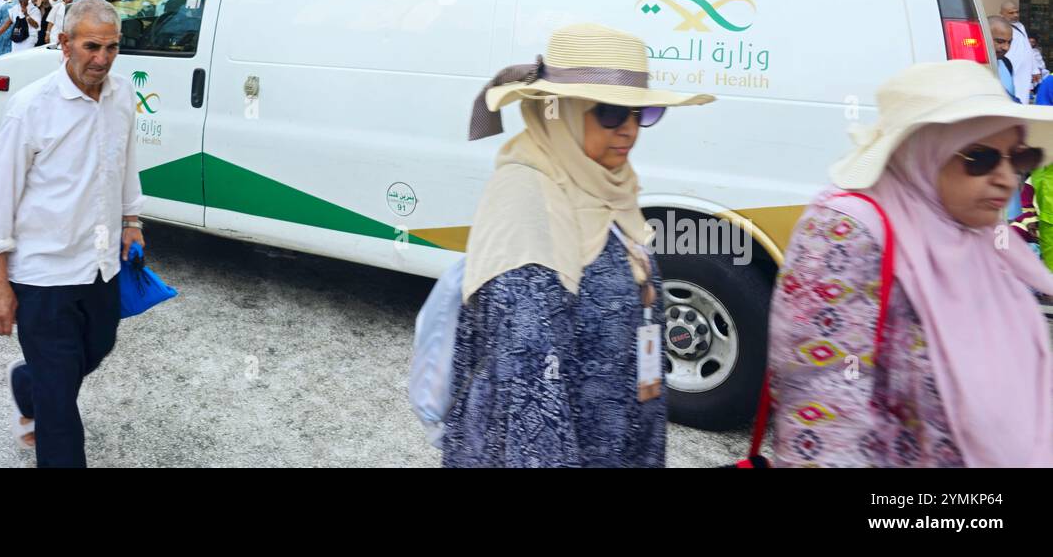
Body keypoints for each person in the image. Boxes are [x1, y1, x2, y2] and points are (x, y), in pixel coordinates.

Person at [442, 24, 714, 467]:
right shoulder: (527, 208)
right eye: (609, 112)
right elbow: (531, 397)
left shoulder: (607, 187)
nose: (629, 130)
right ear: (561, 112)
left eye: (640, 114)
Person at [767, 60, 1053, 467]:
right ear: (924, 152)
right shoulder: (845, 232)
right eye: (980, 158)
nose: (1007, 179)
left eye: (1018, 158)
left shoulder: (983, 237)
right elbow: (823, 420)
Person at [0, 0, 145, 468]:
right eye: (92, 46)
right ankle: (45, 401)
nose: (102, 58)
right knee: (59, 404)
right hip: (42, 273)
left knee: (96, 348)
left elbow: (126, 164)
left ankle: (28, 384)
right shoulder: (30, 108)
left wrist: (132, 222)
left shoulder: (123, 96)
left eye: (112, 48)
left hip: (100, 265)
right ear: (64, 43)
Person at [1002, 1, 1034, 103]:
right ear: (1002, 14)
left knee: (1023, 98)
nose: (1015, 15)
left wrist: (1035, 70)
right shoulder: (1000, 28)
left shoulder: (1020, 26)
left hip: (1024, 73)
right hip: (1010, 70)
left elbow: (1028, 48)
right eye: (1011, 13)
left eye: (1017, 12)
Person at [990, 15, 1017, 100]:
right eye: (1000, 41)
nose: (1006, 47)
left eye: (1009, 42)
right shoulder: (968, 63)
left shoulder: (1006, 63)